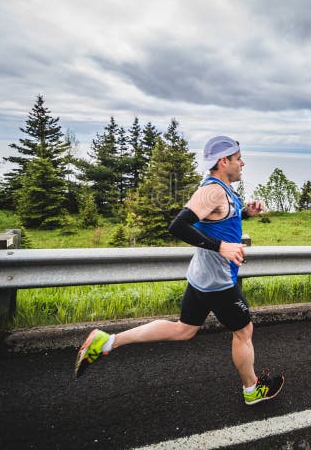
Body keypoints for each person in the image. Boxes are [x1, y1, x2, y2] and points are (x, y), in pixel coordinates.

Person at [74, 135, 284, 405]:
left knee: (183, 329)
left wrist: (245, 213)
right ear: (224, 161)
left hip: (203, 277)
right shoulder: (212, 190)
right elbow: (178, 226)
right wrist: (221, 247)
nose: (243, 163)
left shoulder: (223, 189)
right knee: (244, 332)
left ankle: (107, 341)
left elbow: (219, 216)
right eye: (238, 158)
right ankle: (252, 389)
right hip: (217, 281)